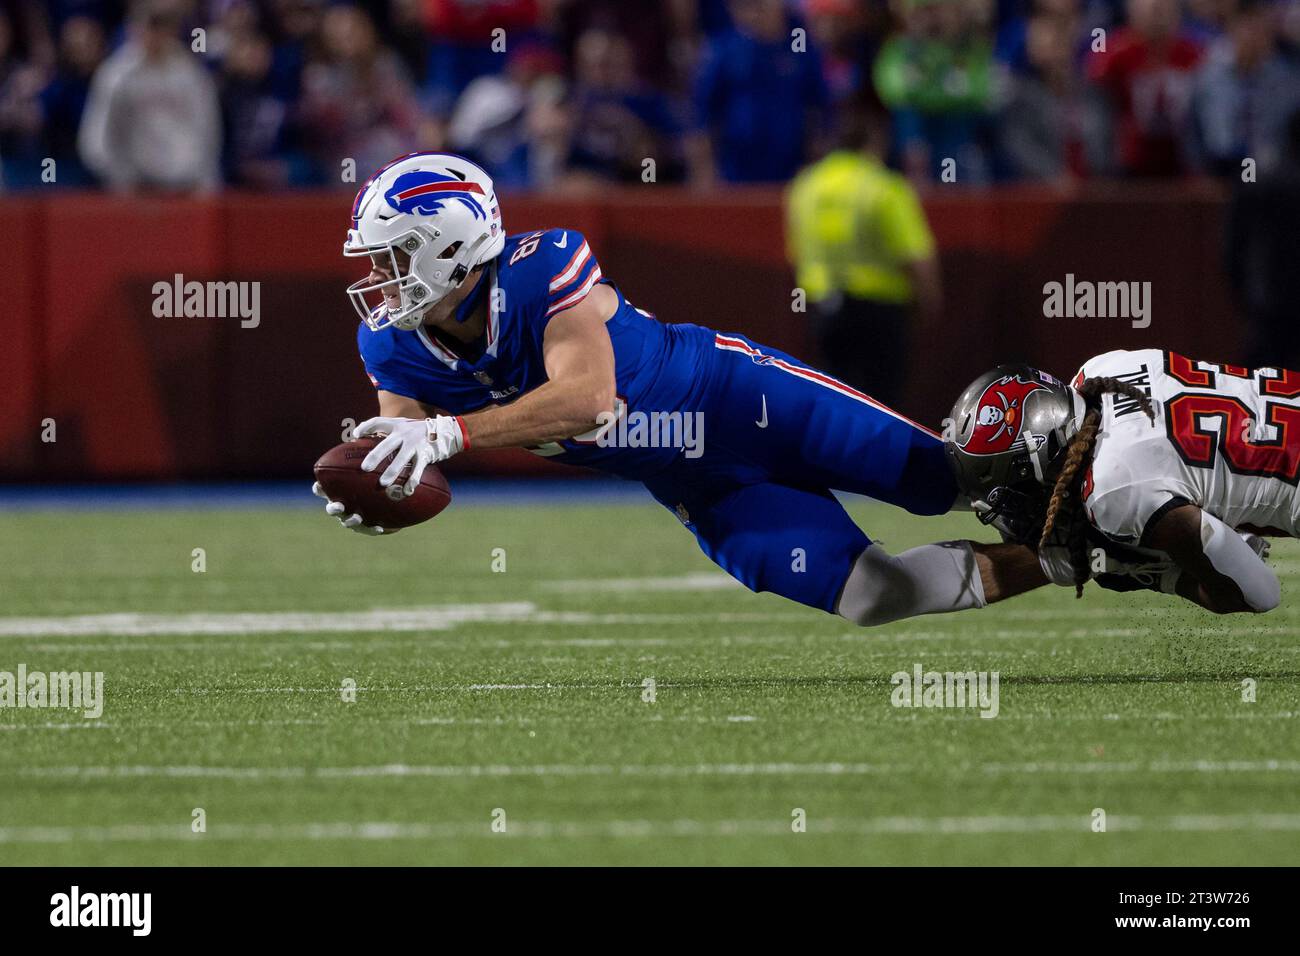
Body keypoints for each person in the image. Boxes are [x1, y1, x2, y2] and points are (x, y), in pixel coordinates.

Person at [312, 151, 1068, 628]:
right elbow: (400, 446)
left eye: (393, 257)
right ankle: (1077, 556)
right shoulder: (389, 341)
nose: (378, 280)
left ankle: (1134, 458)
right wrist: (382, 492)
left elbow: (590, 401)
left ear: (449, 246)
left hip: (743, 401)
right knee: (876, 597)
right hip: (691, 478)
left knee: (950, 478)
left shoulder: (540, 266)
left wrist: (451, 435)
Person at [945, 351, 1285, 613]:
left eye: (1014, 489)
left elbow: (1258, 593)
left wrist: (1153, 574)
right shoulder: (1100, 369)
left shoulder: (1110, 490)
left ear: (1039, 455)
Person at [785, 95, 941, 405]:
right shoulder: (884, 187)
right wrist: (929, 302)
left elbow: (796, 253)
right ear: (874, 142)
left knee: (836, 400)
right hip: (881, 311)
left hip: (824, 308)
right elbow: (917, 257)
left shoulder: (805, 186)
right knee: (884, 405)